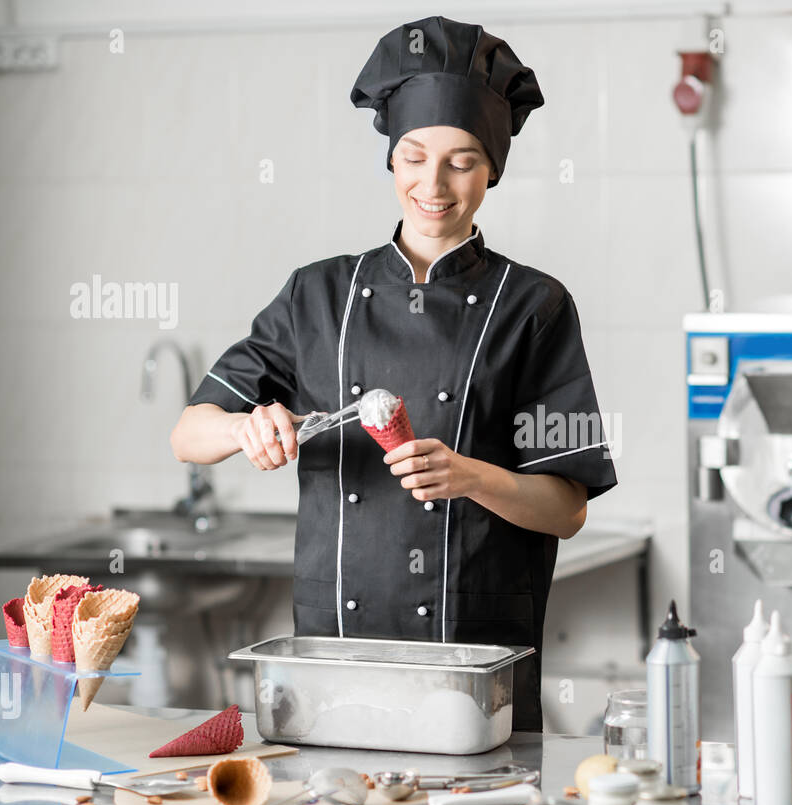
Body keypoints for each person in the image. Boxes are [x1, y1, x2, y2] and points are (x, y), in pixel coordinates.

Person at [170, 16, 618, 733]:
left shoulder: (535, 306)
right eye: (413, 157)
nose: (433, 184)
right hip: (334, 660)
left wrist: (469, 475)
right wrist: (243, 426)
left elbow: (567, 508)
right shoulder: (315, 295)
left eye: (462, 161)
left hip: (473, 668)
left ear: (493, 168)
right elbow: (188, 435)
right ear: (390, 160)